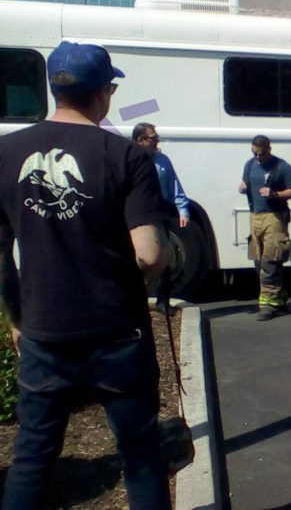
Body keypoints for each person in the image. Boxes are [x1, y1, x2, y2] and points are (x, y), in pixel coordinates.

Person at [0, 41, 173, 508]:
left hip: (44, 333)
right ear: (103, 93)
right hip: (118, 334)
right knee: (140, 454)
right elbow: (148, 255)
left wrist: (17, 320)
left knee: (32, 455)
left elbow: (0, 256)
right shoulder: (127, 156)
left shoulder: (5, 151)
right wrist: (164, 257)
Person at [239, 135, 291, 322]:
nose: (258, 156)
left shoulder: (281, 167)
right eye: (255, 153)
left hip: (274, 216)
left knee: (271, 260)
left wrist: (275, 194)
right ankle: (280, 297)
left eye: (261, 153)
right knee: (259, 261)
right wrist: (244, 186)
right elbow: (247, 181)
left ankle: (268, 304)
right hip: (255, 215)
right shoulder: (250, 165)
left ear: (269, 149)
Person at [132, 122, 190, 312]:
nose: (157, 141)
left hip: (160, 211)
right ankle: (136, 300)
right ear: (140, 140)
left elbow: (174, 186)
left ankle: (162, 301)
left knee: (164, 255)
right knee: (138, 257)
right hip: (137, 213)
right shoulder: (129, 159)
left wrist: (183, 210)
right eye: (153, 138)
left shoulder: (163, 160)